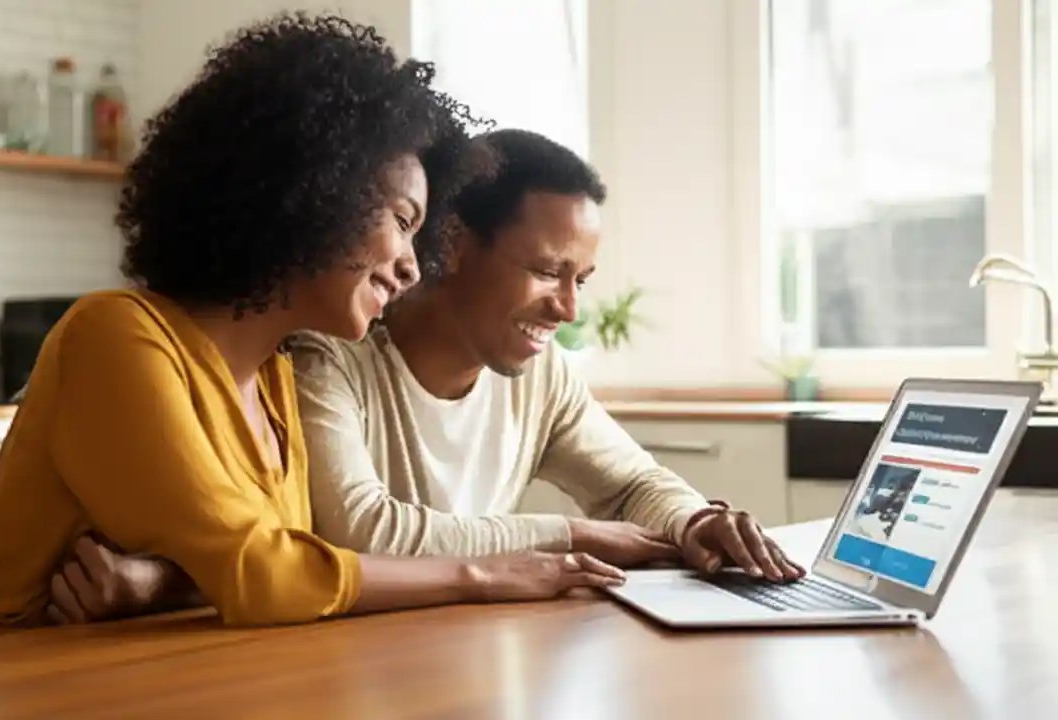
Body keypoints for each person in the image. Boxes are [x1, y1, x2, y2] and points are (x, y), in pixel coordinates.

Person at [0, 15, 634, 644]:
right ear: (312, 193)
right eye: (404, 224)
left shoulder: (280, 377)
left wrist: (160, 583)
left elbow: (278, 561)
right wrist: (484, 573)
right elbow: (264, 573)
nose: (414, 269)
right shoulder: (118, 338)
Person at [42, 130, 804, 626]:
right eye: (546, 271)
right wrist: (562, 536)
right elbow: (340, 540)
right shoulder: (320, 353)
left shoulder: (540, 378)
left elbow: (633, 485)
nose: (569, 307)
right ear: (452, 242)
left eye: (582, 279)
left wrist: (693, 521)